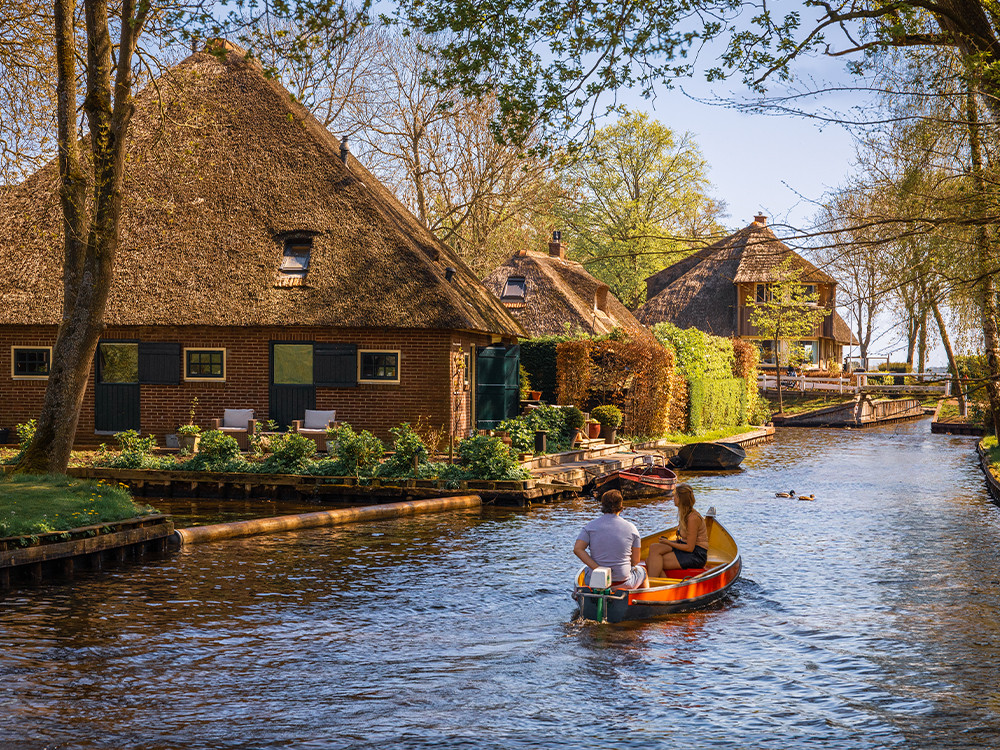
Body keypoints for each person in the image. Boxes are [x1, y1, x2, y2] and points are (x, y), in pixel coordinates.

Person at [573, 490, 649, 589]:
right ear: (621, 507)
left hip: (596, 581)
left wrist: (598, 568)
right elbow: (635, 561)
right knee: (643, 572)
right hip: (623, 582)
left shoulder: (590, 527)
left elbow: (577, 549)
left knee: (586, 571)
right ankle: (641, 600)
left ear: (602, 506)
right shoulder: (632, 528)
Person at [645, 483, 709, 577]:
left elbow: (690, 548)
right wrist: (668, 542)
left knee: (651, 561)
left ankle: (651, 586)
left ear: (680, 499)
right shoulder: (685, 514)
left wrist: (668, 542)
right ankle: (664, 584)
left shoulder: (693, 518)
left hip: (696, 554)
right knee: (654, 548)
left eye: (675, 496)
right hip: (685, 547)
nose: (673, 498)